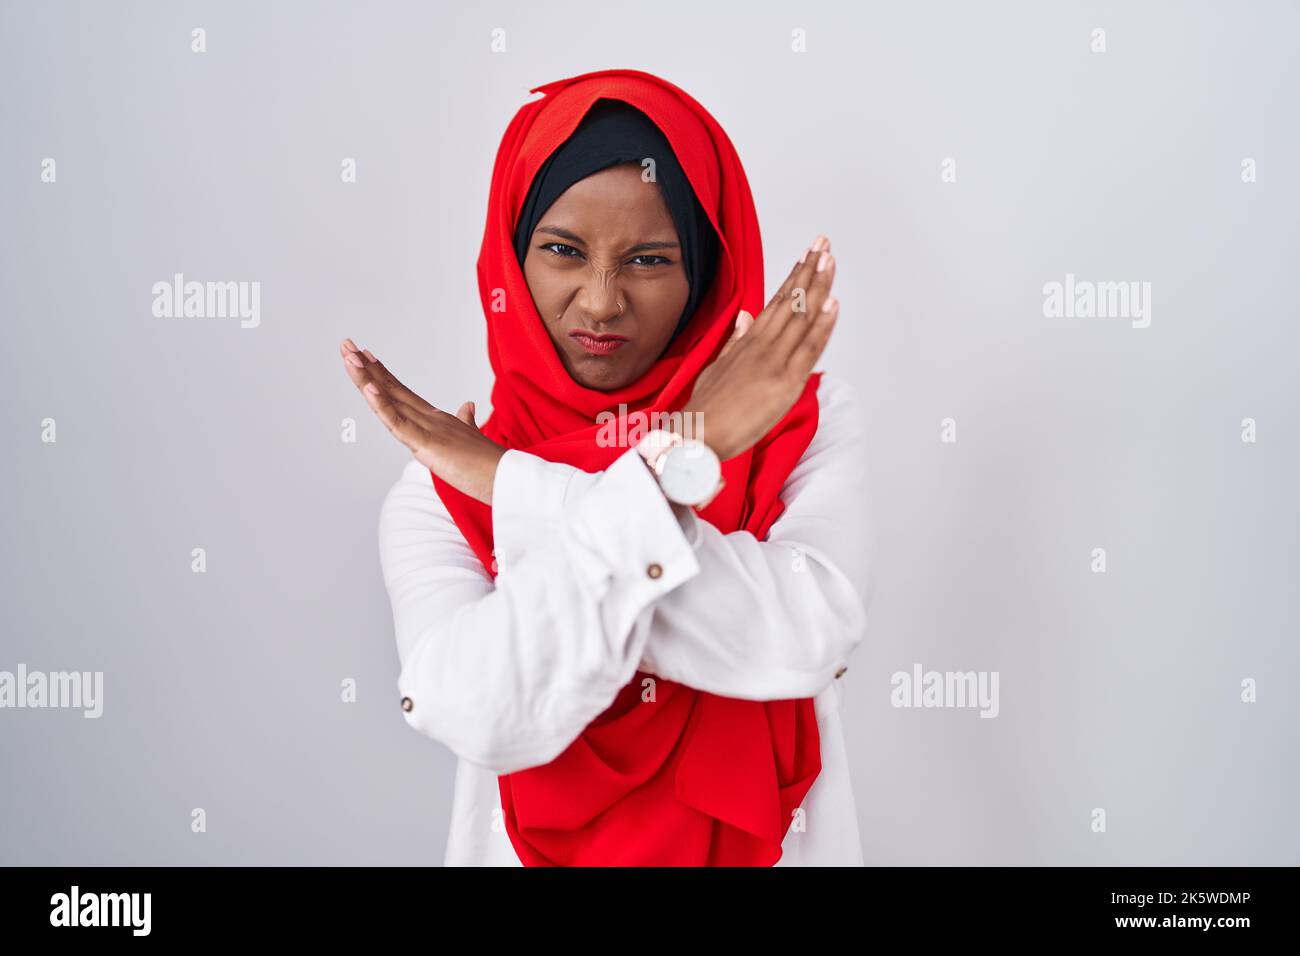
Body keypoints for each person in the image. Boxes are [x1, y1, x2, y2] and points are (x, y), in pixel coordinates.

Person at [339, 68, 873, 866]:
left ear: (703, 271)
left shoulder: (802, 425)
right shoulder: (437, 487)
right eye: (563, 250)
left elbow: (806, 636)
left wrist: (521, 489)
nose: (600, 302)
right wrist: (684, 460)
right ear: (512, 258)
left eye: (649, 260)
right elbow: (476, 707)